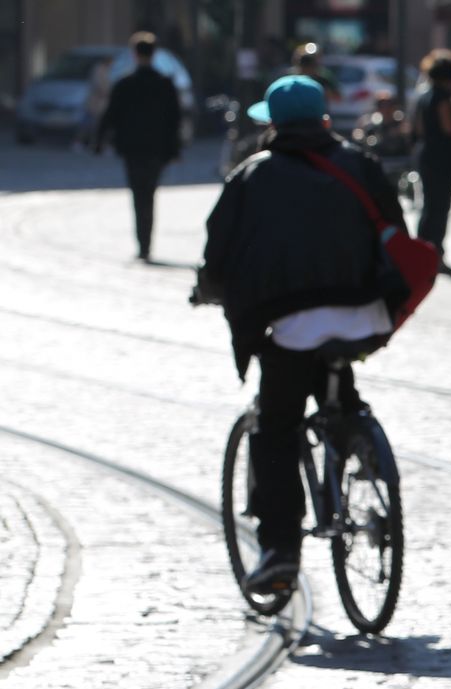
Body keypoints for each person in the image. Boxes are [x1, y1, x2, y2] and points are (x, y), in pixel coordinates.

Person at [195, 75, 405, 593]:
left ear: (272, 125)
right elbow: (395, 231)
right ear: (325, 120)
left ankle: (280, 550)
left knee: (277, 426)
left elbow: (218, 252)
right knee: (334, 371)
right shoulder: (361, 165)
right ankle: (356, 434)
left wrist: (209, 288)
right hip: (364, 316)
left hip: (291, 322)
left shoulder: (251, 176)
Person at [94, 32, 182, 262]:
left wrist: (98, 141)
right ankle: (146, 243)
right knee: (149, 194)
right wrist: (174, 150)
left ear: (134, 54)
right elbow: (174, 120)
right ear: (154, 54)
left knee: (138, 194)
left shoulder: (125, 83)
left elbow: (110, 115)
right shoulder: (165, 83)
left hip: (132, 148)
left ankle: (142, 245)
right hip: (157, 149)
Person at [414, 50, 451, 274]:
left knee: (428, 207)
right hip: (443, 158)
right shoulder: (443, 98)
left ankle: (421, 254)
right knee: (440, 208)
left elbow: (417, 128)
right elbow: (448, 128)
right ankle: (435, 255)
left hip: (427, 155)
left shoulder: (423, 95)